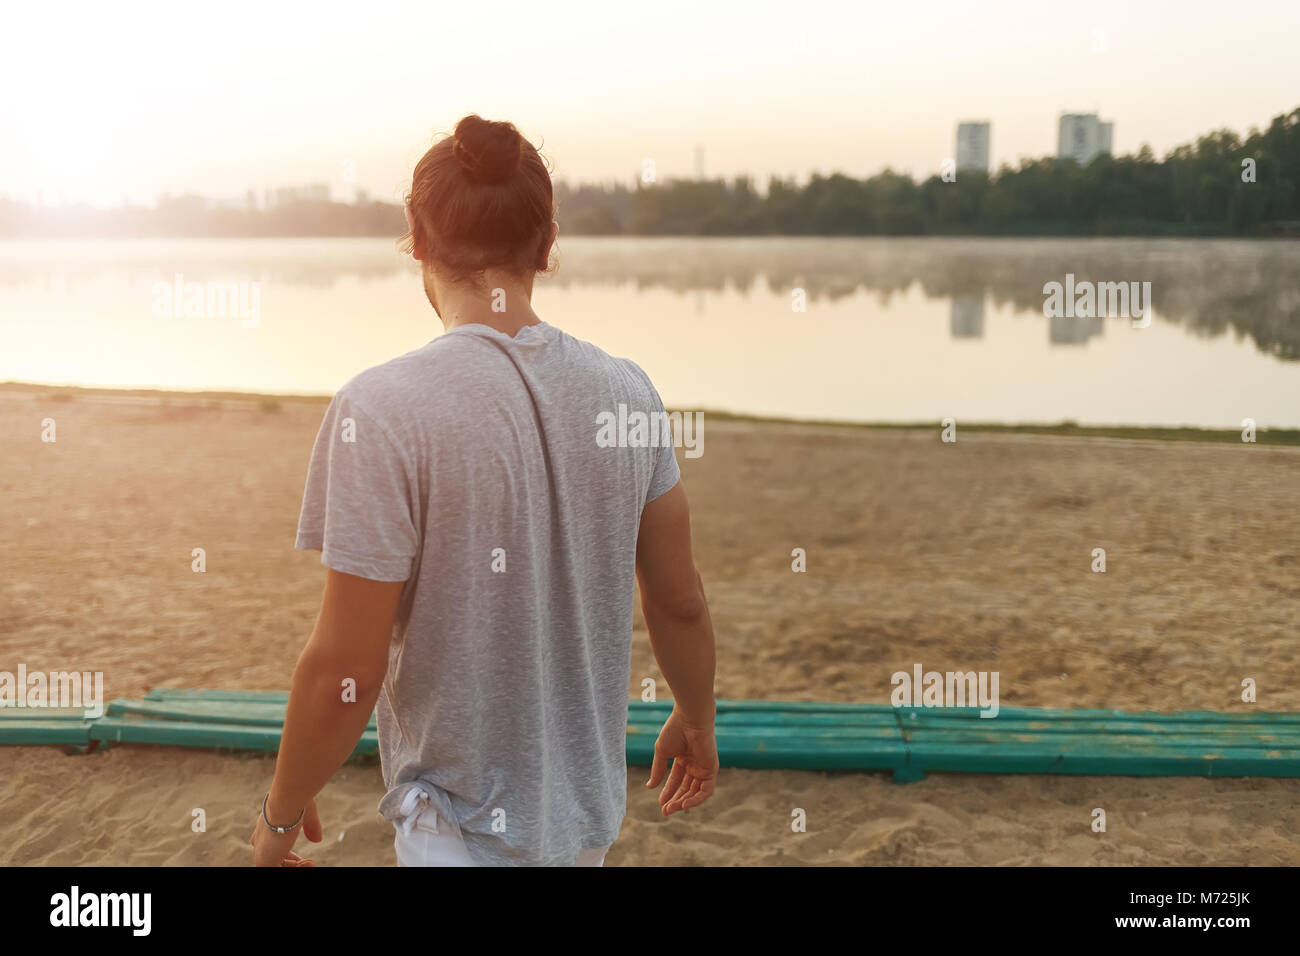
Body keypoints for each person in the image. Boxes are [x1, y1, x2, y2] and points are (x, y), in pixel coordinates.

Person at [249, 114, 718, 867]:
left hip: (456, 829)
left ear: (419, 237)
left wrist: (279, 815)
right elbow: (680, 598)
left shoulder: (381, 408)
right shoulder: (630, 395)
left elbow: (347, 666)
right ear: (547, 241)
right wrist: (697, 716)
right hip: (583, 826)